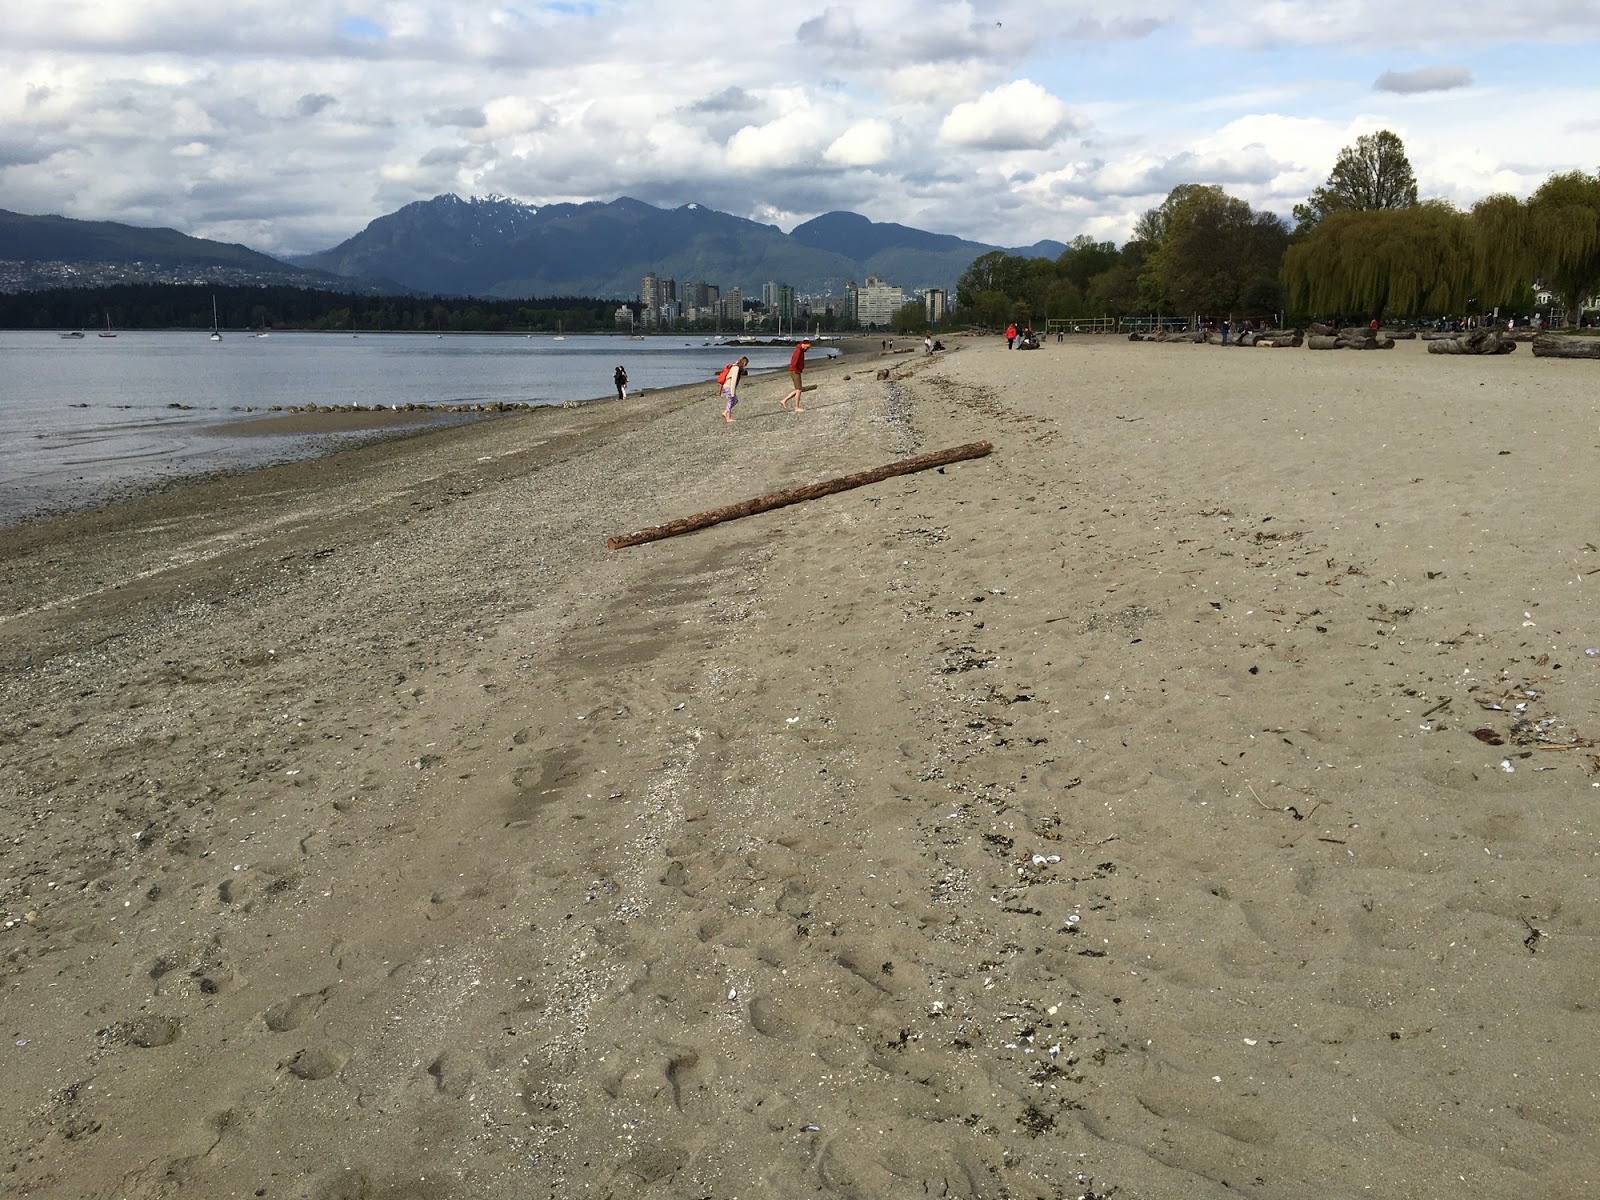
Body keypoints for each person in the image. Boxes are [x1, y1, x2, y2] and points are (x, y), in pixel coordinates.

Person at [781, 341, 810, 411]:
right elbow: (794, 362)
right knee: (799, 390)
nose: (808, 349)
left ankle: (784, 400)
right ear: (803, 345)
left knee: (798, 389)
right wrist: (796, 370)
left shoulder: (801, 350)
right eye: (807, 347)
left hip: (796, 371)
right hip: (795, 371)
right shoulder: (798, 351)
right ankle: (796, 407)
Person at [718, 355, 749, 422]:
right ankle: (728, 417)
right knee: (731, 401)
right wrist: (733, 392)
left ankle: (725, 412)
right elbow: (733, 381)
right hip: (728, 386)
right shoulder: (736, 368)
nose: (745, 366)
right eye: (745, 365)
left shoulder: (735, 366)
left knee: (735, 400)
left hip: (727, 386)